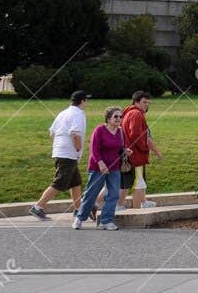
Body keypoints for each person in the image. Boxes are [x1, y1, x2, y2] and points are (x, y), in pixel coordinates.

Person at [30, 90, 89, 220]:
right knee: (60, 182)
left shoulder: (63, 113)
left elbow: (52, 133)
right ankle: (38, 207)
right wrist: (78, 148)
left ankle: (78, 209)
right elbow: (75, 133)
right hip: (69, 153)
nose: (87, 103)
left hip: (60, 152)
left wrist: (60, 144)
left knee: (76, 182)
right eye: (86, 100)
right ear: (83, 101)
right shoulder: (78, 114)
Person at [74, 107, 126, 230]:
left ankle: (106, 220)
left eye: (120, 116)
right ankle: (80, 218)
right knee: (91, 194)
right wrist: (101, 163)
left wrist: (126, 151)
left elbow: (121, 147)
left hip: (114, 167)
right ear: (108, 119)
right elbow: (94, 149)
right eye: (116, 116)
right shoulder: (99, 130)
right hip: (98, 167)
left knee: (113, 195)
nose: (119, 119)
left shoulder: (120, 132)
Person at [119, 90, 162, 210]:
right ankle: (134, 209)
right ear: (136, 102)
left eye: (148, 102)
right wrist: (144, 147)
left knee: (134, 182)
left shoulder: (128, 112)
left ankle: (140, 203)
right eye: (144, 102)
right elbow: (135, 134)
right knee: (138, 183)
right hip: (135, 155)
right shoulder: (136, 114)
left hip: (130, 153)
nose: (146, 105)